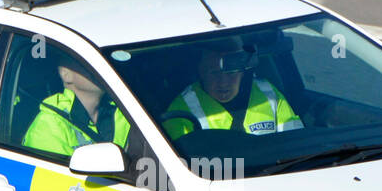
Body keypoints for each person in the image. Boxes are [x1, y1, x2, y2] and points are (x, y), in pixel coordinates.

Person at [163, 38, 303, 139]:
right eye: (214, 72)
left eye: (231, 72)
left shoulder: (268, 93)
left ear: (242, 71)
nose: (223, 82)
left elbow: (295, 139)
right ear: (201, 71)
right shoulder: (181, 110)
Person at [21, 55, 131, 158]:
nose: (101, 67)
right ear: (65, 73)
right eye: (88, 61)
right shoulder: (47, 126)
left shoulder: (128, 112)